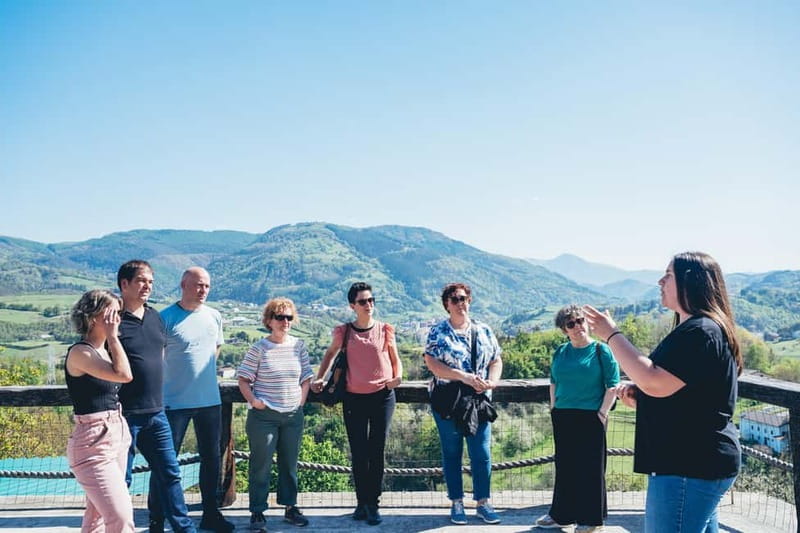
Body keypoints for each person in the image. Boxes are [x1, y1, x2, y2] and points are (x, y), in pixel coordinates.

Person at [583, 252, 742, 533]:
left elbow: (653, 378)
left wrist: (611, 335)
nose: (660, 281)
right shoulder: (704, 329)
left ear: (690, 282)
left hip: (689, 466)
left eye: (668, 274)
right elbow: (675, 388)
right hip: (699, 463)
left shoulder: (700, 332)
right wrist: (643, 395)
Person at [311, 282, 403, 526]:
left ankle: (373, 503)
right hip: (353, 397)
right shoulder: (344, 331)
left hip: (383, 396)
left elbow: (395, 358)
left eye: (371, 300)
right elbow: (330, 354)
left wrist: (398, 377)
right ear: (353, 306)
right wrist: (320, 377)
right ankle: (362, 502)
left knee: (377, 449)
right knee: (359, 452)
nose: (369, 305)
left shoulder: (385, 329)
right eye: (363, 301)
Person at [116, 260, 197, 533]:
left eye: (150, 281)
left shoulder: (154, 317)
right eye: (141, 281)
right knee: (120, 480)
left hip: (156, 411)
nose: (147, 286)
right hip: (123, 415)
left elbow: (159, 357)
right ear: (124, 284)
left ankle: (183, 528)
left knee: (170, 474)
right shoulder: (112, 321)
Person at [153, 267, 233, 532]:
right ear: (183, 284)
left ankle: (211, 514)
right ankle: (157, 518)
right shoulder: (164, 318)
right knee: (165, 462)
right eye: (198, 285)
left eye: (207, 286)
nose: (203, 290)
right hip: (172, 403)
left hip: (210, 401)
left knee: (211, 460)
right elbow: (154, 358)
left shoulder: (215, 316)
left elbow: (215, 350)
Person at [423, 282, 503, 526]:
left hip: (478, 400)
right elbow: (432, 363)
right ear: (446, 304)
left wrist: (491, 382)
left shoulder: (485, 330)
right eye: (455, 299)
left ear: (470, 300)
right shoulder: (438, 332)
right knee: (452, 452)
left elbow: (496, 359)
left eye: (464, 298)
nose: (460, 303)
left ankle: (483, 502)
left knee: (481, 453)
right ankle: (456, 502)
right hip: (449, 400)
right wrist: (463, 376)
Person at [535, 305, 619, 532]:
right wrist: (554, 408)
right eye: (570, 324)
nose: (577, 326)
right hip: (563, 415)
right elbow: (553, 381)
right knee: (565, 467)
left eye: (580, 321)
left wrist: (602, 413)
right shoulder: (561, 352)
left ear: (586, 322)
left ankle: (592, 521)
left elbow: (613, 385)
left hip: (591, 416)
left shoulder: (602, 351)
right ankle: (561, 515)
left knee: (591, 469)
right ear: (564, 329)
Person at [237, 297, 314, 532]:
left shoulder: (299, 345)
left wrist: (300, 402)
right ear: (269, 321)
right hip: (264, 416)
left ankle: (290, 507)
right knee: (260, 465)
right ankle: (257, 512)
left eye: (289, 317)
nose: (285, 322)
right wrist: (254, 402)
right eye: (280, 317)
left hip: (292, 415)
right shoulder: (259, 348)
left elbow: (306, 377)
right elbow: (243, 379)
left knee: (289, 464)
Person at [65, 290, 135, 532]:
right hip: (92, 440)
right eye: (112, 313)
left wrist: (112, 341)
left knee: (98, 516)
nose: (117, 319)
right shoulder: (80, 353)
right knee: (121, 516)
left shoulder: (103, 351)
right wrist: (114, 338)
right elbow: (124, 375)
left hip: (116, 432)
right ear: (94, 317)